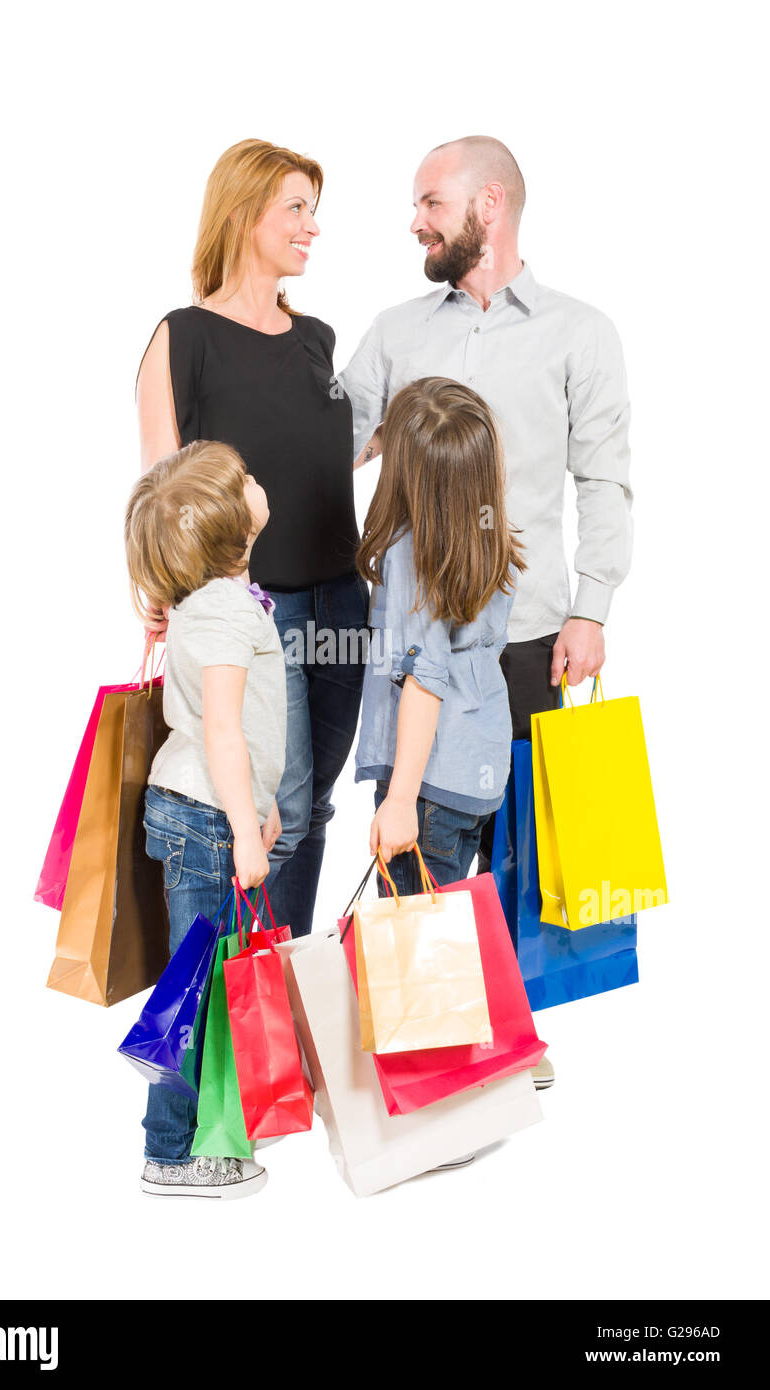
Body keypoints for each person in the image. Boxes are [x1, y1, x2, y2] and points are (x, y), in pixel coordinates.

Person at [341, 134, 634, 1089]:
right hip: (419, 634)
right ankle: (456, 1038)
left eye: (430, 201)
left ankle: (509, 1031)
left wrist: (591, 609)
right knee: (433, 827)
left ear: (489, 206)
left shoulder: (577, 331)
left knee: (520, 839)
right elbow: (331, 447)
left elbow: (604, 477)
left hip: (530, 635)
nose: (414, 221)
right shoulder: (395, 330)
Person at [136, 138, 369, 939]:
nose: (312, 227)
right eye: (294, 209)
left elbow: (327, 452)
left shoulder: (317, 339)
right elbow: (156, 492)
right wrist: (156, 592)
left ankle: (281, 983)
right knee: (281, 803)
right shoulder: (184, 337)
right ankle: (263, 1002)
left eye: (314, 210)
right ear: (242, 215)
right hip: (254, 613)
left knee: (312, 804)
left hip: (343, 600)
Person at [124, 440, 285, 1199]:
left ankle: (189, 1139)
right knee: (195, 990)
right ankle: (172, 1152)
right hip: (204, 821)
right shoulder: (222, 610)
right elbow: (221, 730)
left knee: (201, 981)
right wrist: (246, 830)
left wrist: (263, 803)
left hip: (206, 811)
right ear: (233, 531)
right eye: (247, 481)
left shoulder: (219, 595)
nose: (258, 481)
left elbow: (240, 730)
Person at [356, 377, 524, 892]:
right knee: (445, 953)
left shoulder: (411, 550)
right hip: (475, 775)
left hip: (426, 790)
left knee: (414, 964)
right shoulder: (490, 536)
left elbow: (424, 679)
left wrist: (401, 798)